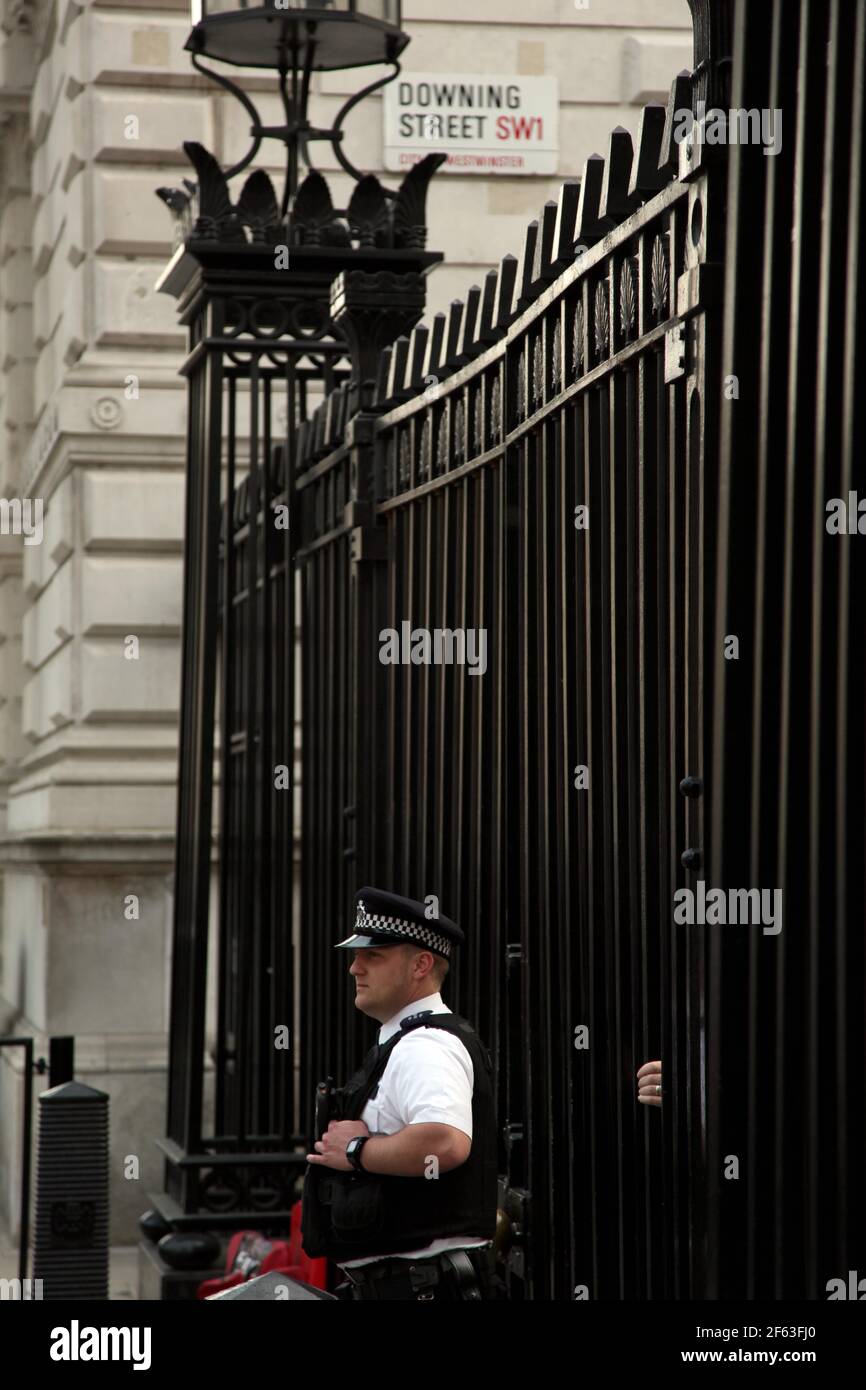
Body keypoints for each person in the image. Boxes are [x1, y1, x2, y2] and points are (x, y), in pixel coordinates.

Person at [301, 887, 502, 1301]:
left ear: (421, 965)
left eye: (373, 955)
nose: (355, 967)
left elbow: (445, 1143)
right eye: (357, 956)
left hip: (421, 1286)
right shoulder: (405, 1040)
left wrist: (356, 1149)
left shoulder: (425, 1045)